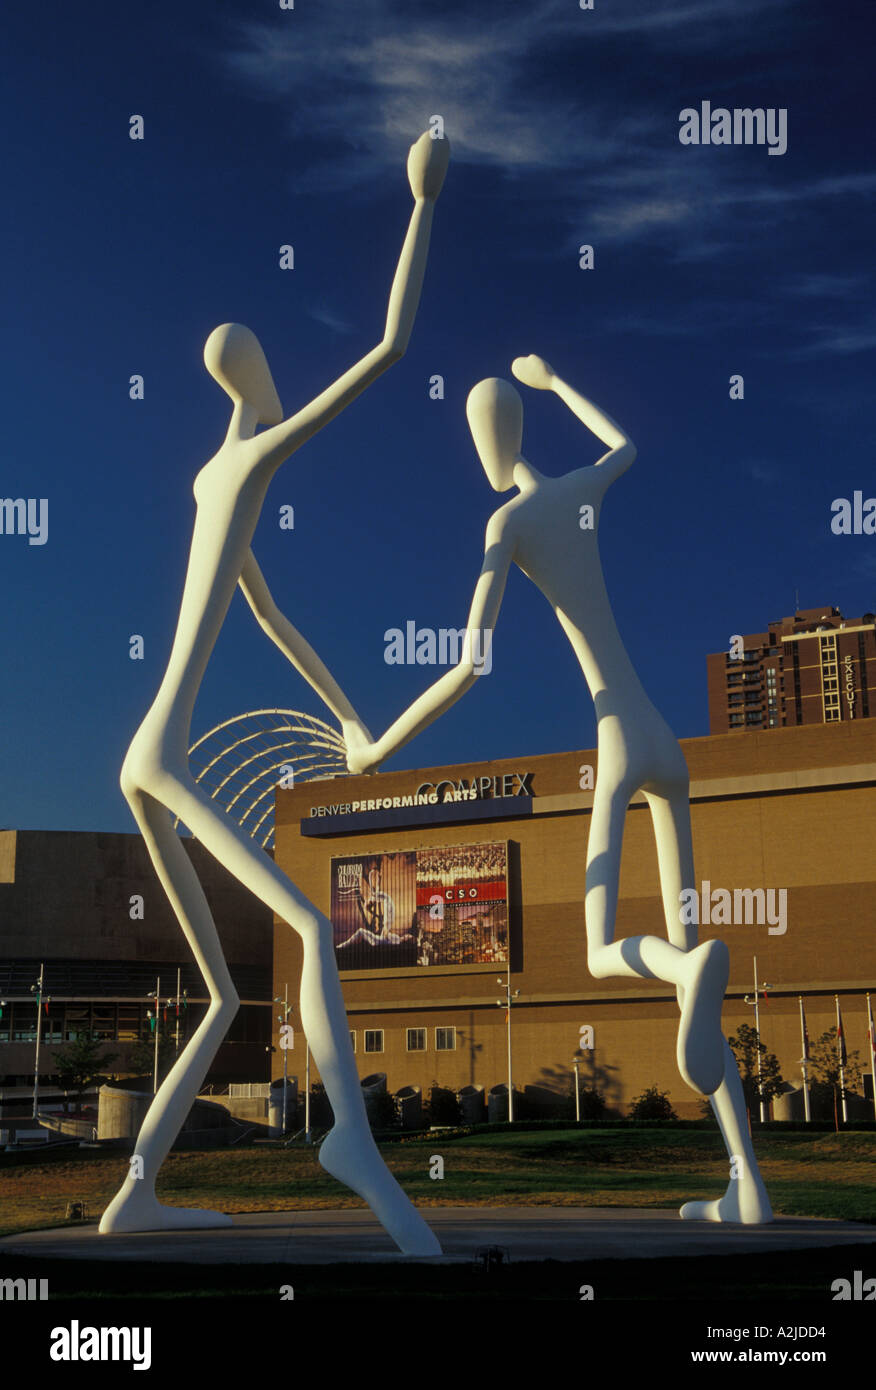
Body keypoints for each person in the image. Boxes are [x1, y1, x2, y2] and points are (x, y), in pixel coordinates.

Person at [99, 132, 450, 1256]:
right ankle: (352, 1136)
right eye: (264, 363)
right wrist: (422, 203)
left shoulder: (211, 477)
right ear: (252, 380)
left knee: (219, 999)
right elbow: (391, 346)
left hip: (142, 754)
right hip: (168, 758)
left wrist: (346, 712)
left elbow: (269, 618)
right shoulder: (251, 462)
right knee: (308, 922)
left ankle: (136, 1192)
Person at [348, 354, 772, 1223]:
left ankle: (686, 968)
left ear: (484, 445)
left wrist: (377, 746)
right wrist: (553, 381)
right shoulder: (580, 488)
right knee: (693, 983)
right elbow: (626, 442)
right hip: (670, 741)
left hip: (616, 737)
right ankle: (748, 1184)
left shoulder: (507, 525)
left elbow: (471, 662)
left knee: (600, 949)